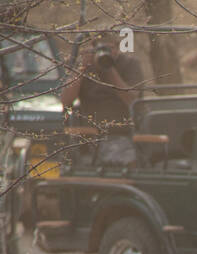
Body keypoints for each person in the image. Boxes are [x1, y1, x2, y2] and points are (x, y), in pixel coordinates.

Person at [60, 31, 146, 165]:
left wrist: (109, 68)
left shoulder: (130, 64)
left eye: (109, 49)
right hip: (89, 135)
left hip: (121, 134)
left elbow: (131, 100)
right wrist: (81, 68)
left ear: (117, 49)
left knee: (122, 156)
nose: (104, 53)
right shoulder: (84, 67)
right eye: (100, 49)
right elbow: (65, 101)